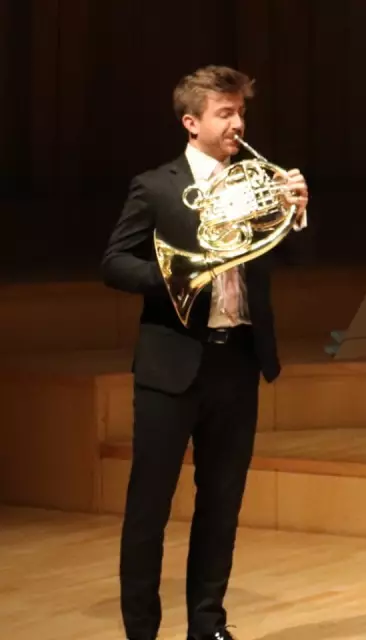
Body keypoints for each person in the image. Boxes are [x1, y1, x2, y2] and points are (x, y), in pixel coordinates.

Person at [101, 65, 310, 640]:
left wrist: (295, 213)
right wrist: (174, 278)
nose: (238, 123)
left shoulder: (255, 183)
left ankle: (207, 625)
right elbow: (113, 263)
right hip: (173, 364)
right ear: (192, 123)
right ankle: (141, 630)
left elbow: (286, 262)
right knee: (150, 509)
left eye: (241, 112)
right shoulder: (157, 185)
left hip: (238, 360)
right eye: (225, 113)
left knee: (221, 503)